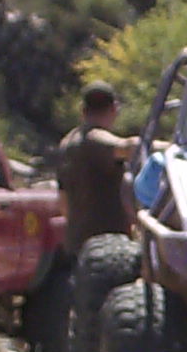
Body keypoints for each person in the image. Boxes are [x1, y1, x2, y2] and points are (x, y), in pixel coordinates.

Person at [51, 82, 138, 254]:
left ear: (82, 110)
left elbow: (63, 200)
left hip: (78, 243)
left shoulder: (67, 143)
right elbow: (130, 147)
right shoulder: (95, 139)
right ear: (115, 108)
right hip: (109, 246)